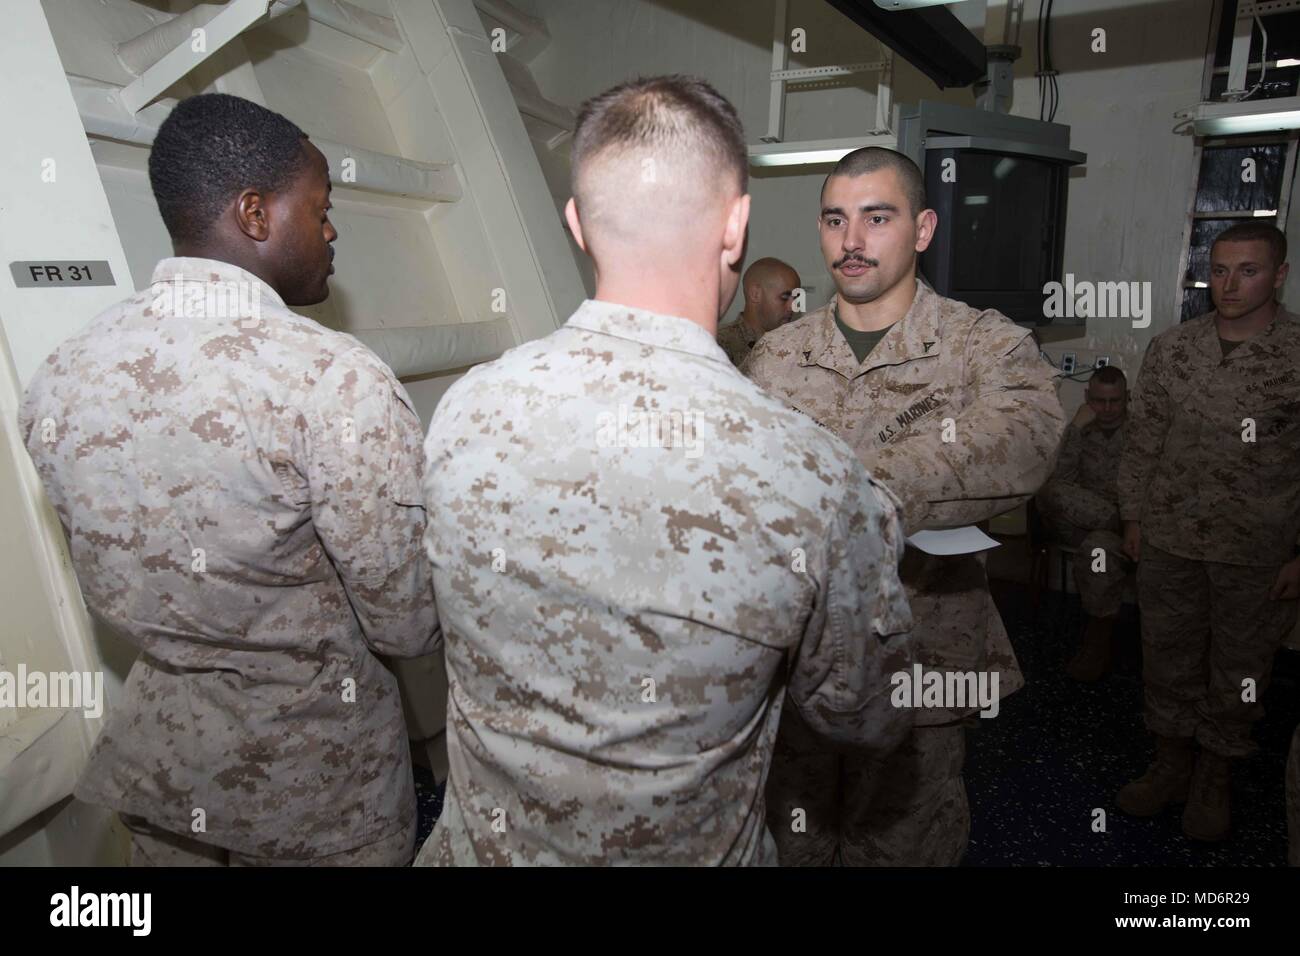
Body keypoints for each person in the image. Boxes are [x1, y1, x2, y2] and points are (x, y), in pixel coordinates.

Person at [413, 76, 912, 866]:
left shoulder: (465, 410)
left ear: (577, 224)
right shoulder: (811, 475)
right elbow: (864, 715)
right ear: (737, 226)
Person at [19, 93, 440, 865]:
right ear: (254, 212)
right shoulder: (333, 378)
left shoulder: (59, 375)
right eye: (320, 207)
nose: (331, 228)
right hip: (319, 791)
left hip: (165, 775)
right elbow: (407, 623)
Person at [743, 146, 1065, 866]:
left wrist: (871, 488)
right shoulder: (775, 356)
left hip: (920, 652)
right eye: (835, 220)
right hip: (797, 658)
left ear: (922, 230)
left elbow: (1027, 436)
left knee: (903, 842)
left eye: (876, 218)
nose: (851, 242)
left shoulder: (981, 345)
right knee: (790, 837)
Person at [1115, 222, 1300, 842]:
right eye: (1219, 270)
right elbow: (1143, 440)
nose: (1229, 284)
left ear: (1278, 275)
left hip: (1258, 548)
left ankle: (1215, 774)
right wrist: (1134, 518)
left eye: (1248, 271)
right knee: (1166, 658)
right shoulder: (1173, 348)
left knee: (1242, 668)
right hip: (1170, 538)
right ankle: (1169, 764)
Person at [1037, 365, 1131, 681]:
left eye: (1115, 401)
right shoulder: (1081, 428)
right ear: (1088, 397)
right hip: (1089, 517)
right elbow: (1060, 482)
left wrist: (1130, 520)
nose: (1106, 409)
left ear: (1126, 398)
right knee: (1049, 491)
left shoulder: (1142, 431)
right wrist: (1075, 429)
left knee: (1098, 551)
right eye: (1099, 401)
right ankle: (1111, 519)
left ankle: (1097, 641)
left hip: (1124, 529)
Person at [716, 257, 802, 365]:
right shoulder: (720, 345)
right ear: (755, 294)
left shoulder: (795, 343)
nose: (792, 307)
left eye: (795, 299)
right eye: (784, 298)